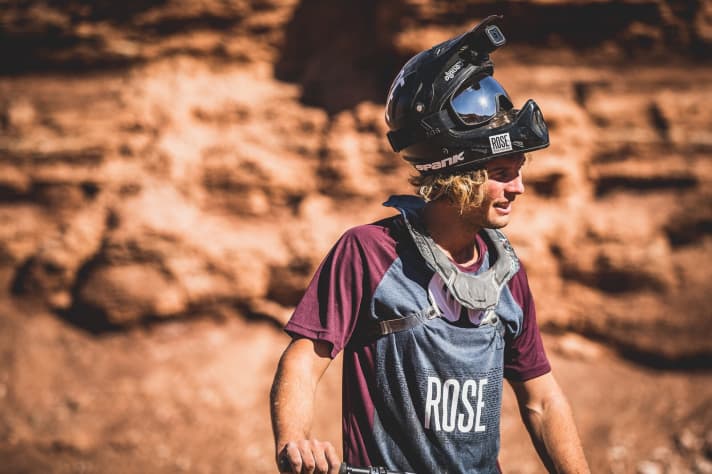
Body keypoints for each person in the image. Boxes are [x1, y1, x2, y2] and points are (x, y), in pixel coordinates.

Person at [271, 15, 590, 474]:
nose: (518, 188)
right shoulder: (368, 252)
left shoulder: (507, 273)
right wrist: (294, 440)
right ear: (457, 174)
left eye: (519, 171)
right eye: (501, 173)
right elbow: (304, 359)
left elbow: (541, 399)